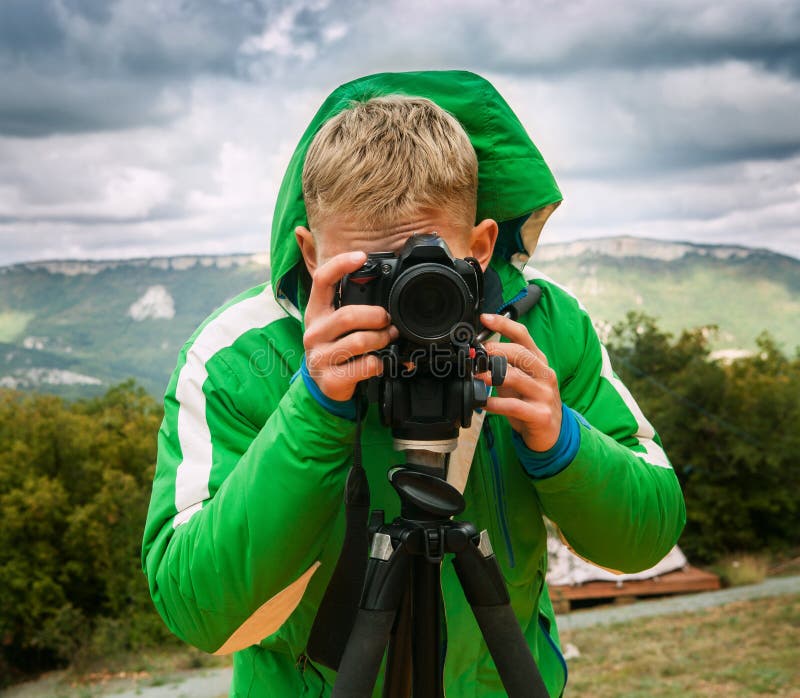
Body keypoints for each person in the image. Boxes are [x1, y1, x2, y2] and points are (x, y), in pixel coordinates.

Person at [142, 71, 685, 697]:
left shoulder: (546, 331)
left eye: (428, 271)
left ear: (480, 247)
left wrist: (564, 442)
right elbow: (195, 606)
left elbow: (646, 536)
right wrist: (313, 409)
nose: (407, 303)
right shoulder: (238, 359)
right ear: (312, 254)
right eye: (372, 273)